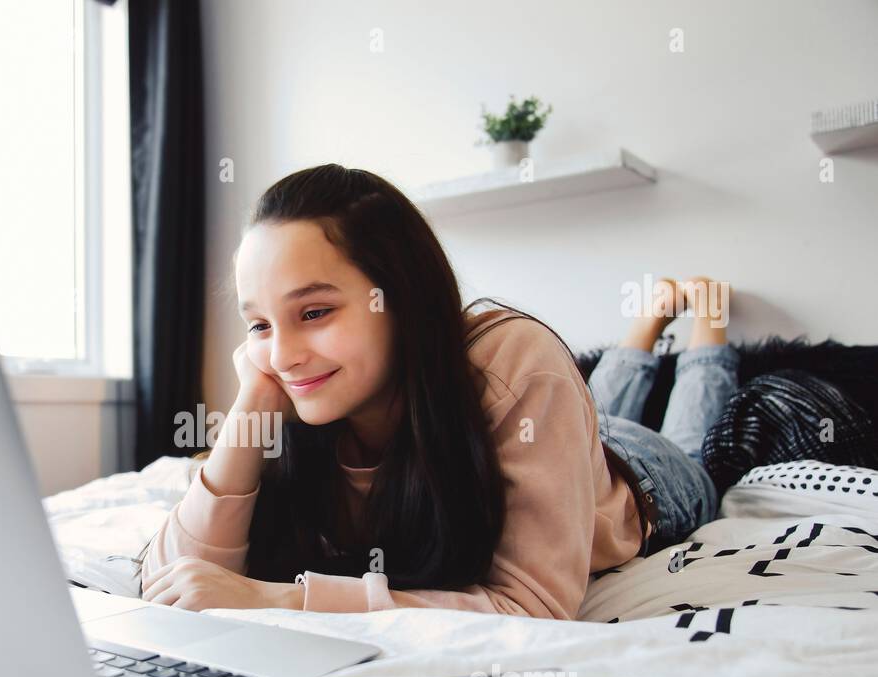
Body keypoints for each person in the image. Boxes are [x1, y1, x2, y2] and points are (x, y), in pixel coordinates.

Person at [138, 164, 737, 618]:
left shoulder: (515, 361)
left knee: (689, 441)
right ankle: (644, 332)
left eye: (315, 312)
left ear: (403, 298)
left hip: (640, 475)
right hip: (561, 433)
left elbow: (530, 609)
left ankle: (703, 326)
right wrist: (250, 411)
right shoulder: (284, 391)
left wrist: (275, 599)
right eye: (260, 324)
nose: (283, 355)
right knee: (593, 403)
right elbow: (171, 583)